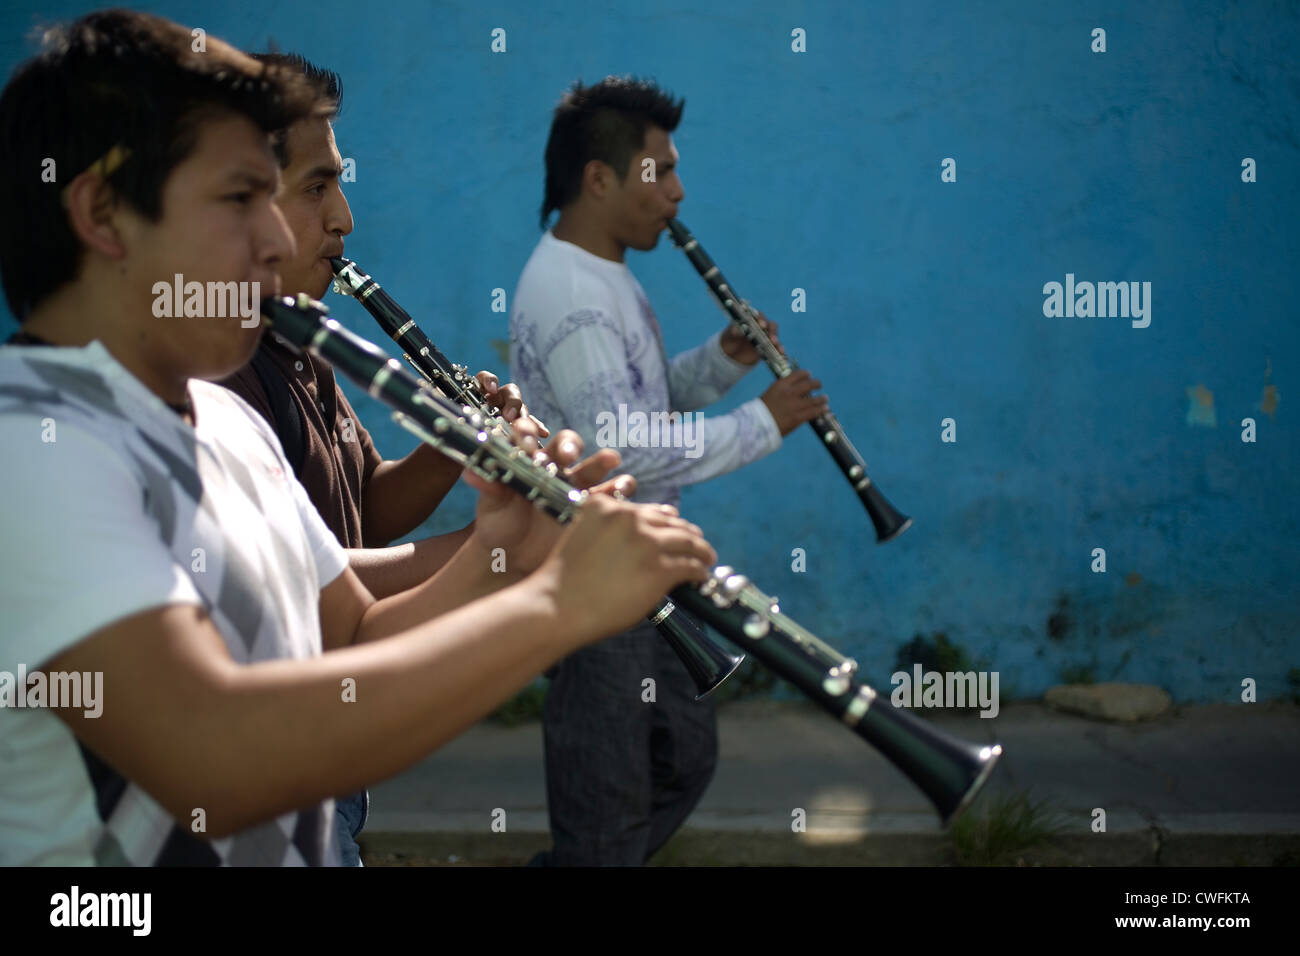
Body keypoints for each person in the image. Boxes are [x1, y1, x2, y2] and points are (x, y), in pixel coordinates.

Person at [0, 11, 715, 866]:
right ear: (104, 212)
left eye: (278, 197)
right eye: (240, 198)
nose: (277, 241)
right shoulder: (33, 449)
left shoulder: (216, 415)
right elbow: (214, 763)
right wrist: (558, 608)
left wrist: (510, 549)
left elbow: (354, 636)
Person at [215, 53, 546, 865]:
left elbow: (365, 500)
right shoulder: (218, 372)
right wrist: (509, 550)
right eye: (318, 187)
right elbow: (324, 595)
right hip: (278, 755)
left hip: (329, 748)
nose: (346, 219)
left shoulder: (301, 344)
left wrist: (451, 449)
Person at [510, 76, 829, 865]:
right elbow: (620, 442)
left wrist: (724, 361)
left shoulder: (605, 275)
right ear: (600, 178)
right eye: (662, 172)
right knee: (607, 798)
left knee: (680, 759)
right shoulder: (571, 294)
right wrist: (763, 422)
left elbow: (644, 402)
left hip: (641, 562)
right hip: (593, 572)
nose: (678, 194)